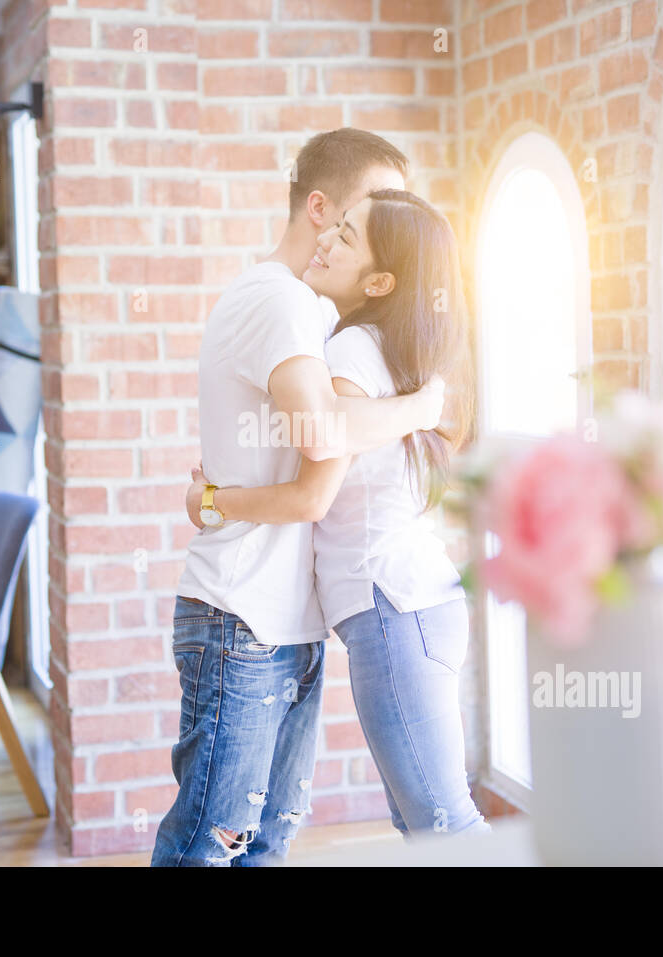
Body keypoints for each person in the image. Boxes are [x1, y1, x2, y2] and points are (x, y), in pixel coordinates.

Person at [151, 131, 447, 867]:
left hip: (284, 623)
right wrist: (425, 406)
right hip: (242, 617)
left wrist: (218, 496)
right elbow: (323, 444)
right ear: (321, 209)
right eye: (365, 210)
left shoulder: (318, 315)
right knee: (206, 844)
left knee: (263, 845)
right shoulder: (279, 301)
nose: (377, 221)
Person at [185, 188, 489, 841]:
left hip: (391, 607)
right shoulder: (391, 349)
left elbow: (313, 489)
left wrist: (212, 502)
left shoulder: (352, 351)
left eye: (347, 237)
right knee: (426, 822)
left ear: (380, 280)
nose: (325, 239)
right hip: (410, 605)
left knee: (443, 825)